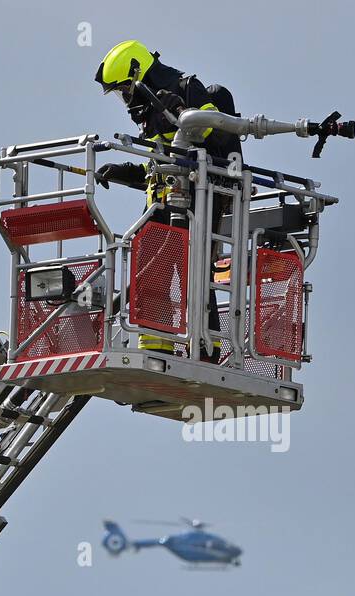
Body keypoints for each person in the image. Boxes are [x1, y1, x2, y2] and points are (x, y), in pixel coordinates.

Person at [93, 40, 241, 364]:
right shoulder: (150, 114)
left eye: (124, 90)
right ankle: (156, 348)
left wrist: (180, 113)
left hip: (194, 205)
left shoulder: (188, 89)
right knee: (151, 272)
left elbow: (217, 137)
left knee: (195, 275)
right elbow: (158, 166)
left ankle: (205, 352)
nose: (125, 100)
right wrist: (125, 172)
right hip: (160, 206)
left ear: (138, 74)